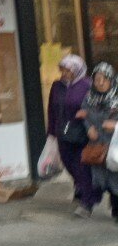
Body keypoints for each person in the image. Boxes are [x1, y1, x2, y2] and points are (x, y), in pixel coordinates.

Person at [46, 55, 94, 213]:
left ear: (76, 70)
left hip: (81, 132)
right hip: (62, 132)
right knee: (68, 162)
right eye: (63, 70)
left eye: (68, 70)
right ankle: (81, 186)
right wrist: (51, 131)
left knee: (82, 166)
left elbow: (95, 108)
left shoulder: (87, 85)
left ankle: (87, 201)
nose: (64, 73)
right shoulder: (57, 86)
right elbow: (52, 109)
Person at [77, 62, 118, 219]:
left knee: (115, 177)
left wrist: (115, 125)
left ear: (111, 80)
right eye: (97, 79)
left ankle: (116, 209)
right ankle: (88, 205)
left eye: (104, 79)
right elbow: (84, 115)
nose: (100, 83)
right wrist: (88, 128)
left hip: (114, 146)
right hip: (96, 145)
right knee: (96, 177)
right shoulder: (89, 98)